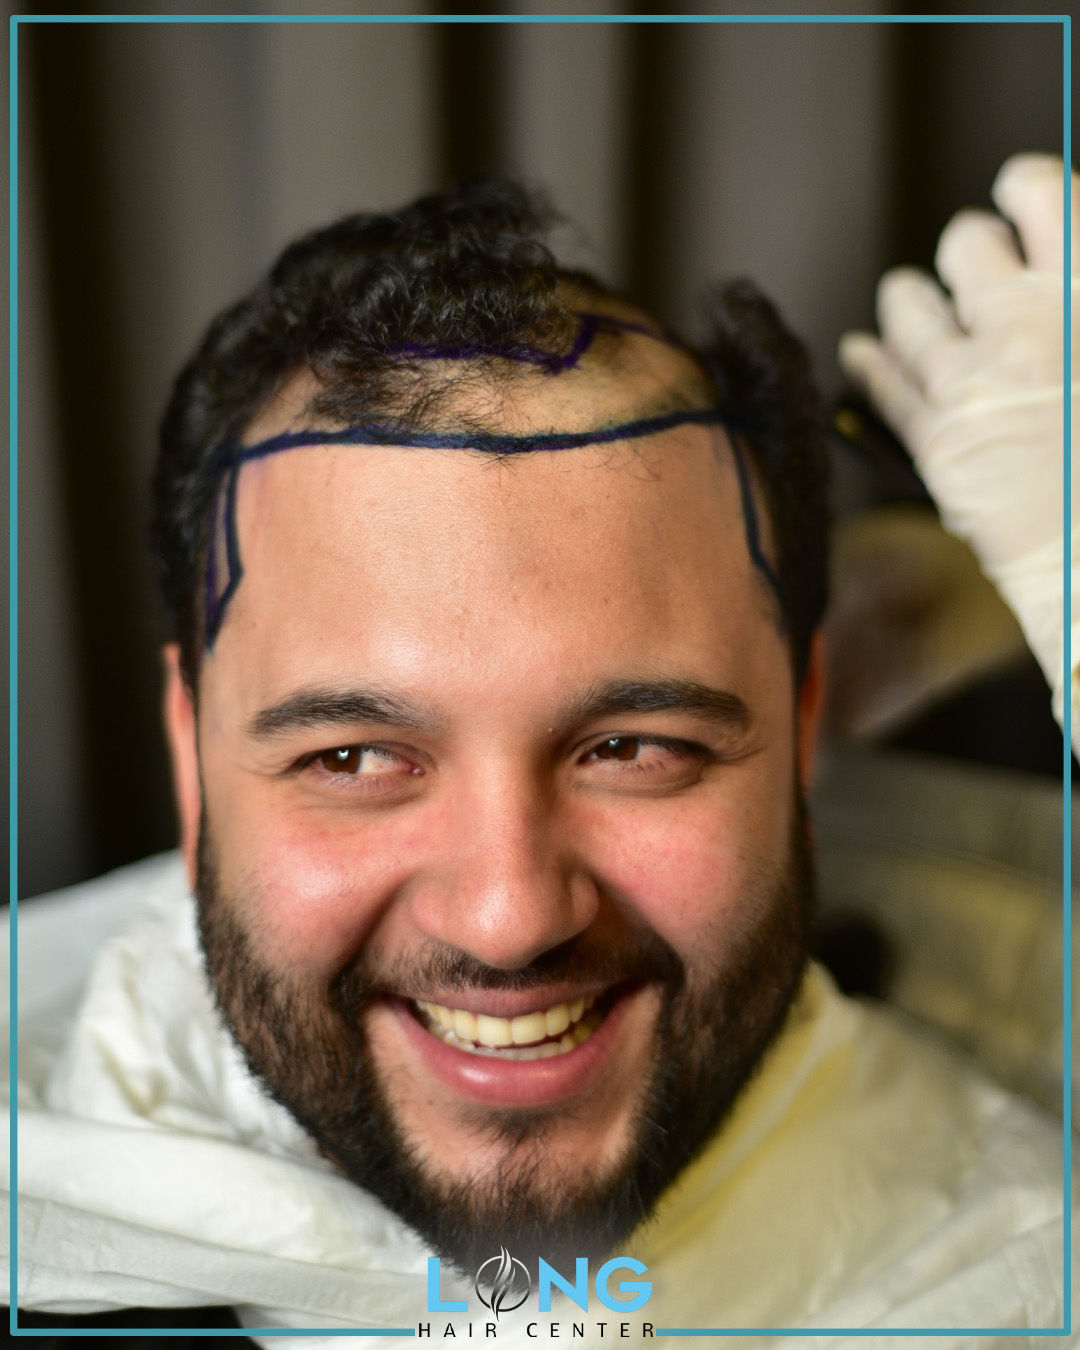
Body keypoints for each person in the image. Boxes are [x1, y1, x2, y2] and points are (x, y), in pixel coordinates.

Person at [5, 155, 1075, 1348]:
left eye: (633, 745)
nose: (509, 918)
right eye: (354, 758)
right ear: (191, 765)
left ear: (805, 728)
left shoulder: (1024, 1272)